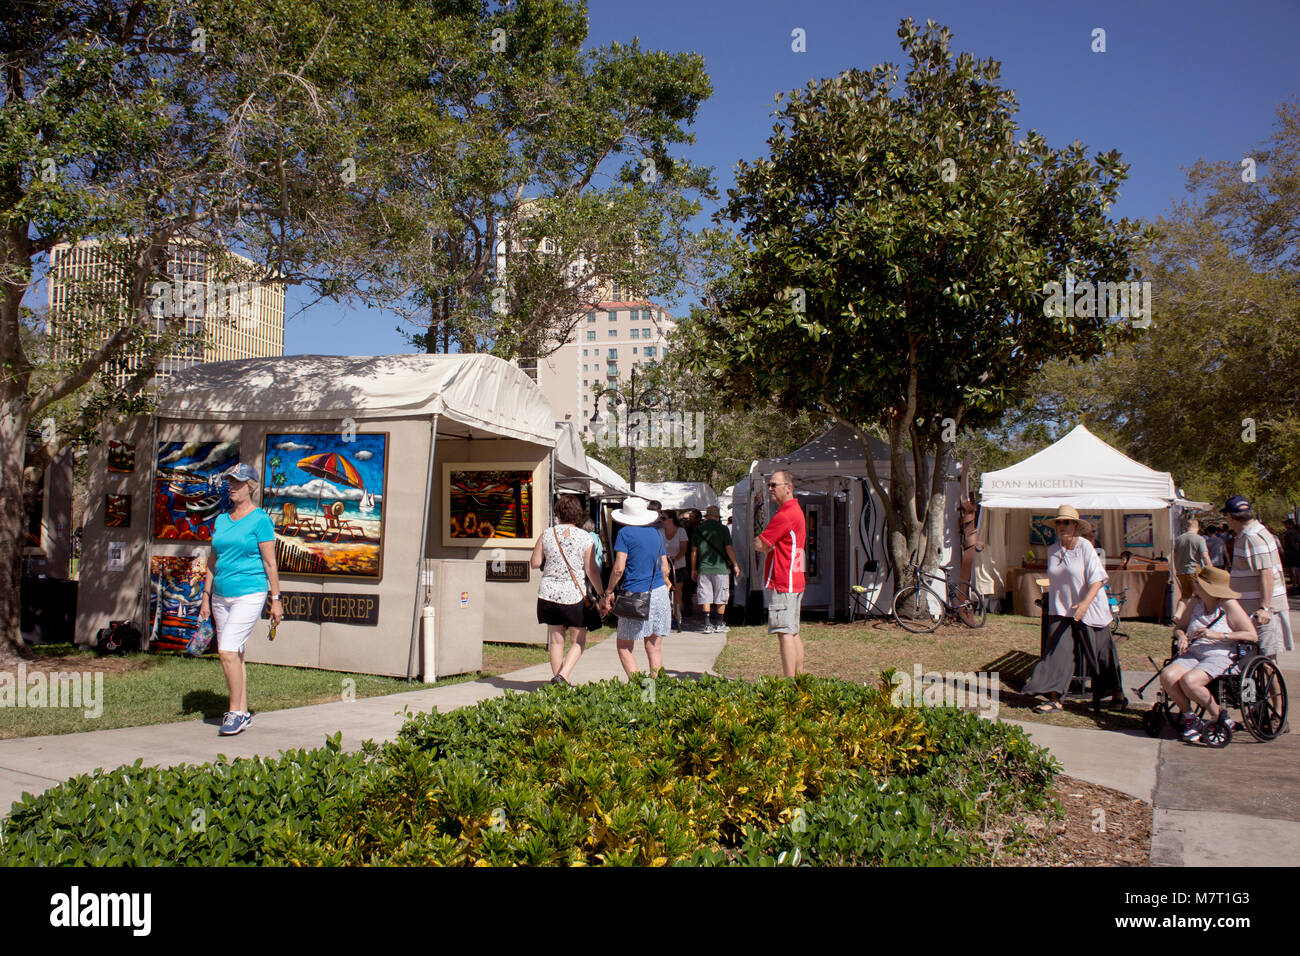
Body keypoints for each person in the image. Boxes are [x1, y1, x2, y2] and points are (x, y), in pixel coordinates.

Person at [198, 463, 283, 736]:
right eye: (230, 482)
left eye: (238, 482)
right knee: (237, 653)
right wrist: (205, 597)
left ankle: (234, 712)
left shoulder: (260, 520)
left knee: (226, 650)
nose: (232, 486)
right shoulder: (222, 520)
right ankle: (243, 711)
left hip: (250, 592)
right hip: (220, 596)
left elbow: (271, 565)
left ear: (251, 487)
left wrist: (276, 599)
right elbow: (213, 562)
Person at [1022, 505, 1118, 712]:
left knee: (1100, 653)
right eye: (1059, 522)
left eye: (1066, 522)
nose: (1062, 526)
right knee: (1058, 653)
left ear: (1075, 525)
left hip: (1089, 608)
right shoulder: (1053, 550)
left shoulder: (1085, 547)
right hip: (1061, 610)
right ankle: (1056, 698)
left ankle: (1116, 693)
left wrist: (1083, 605)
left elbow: (1098, 579)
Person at [1159, 566, 1259, 741]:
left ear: (1209, 587)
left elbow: (1252, 635)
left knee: (1190, 681)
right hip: (1194, 652)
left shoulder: (1228, 605)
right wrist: (1181, 636)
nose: (1195, 584)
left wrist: (1218, 634)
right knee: (1167, 675)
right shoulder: (1195, 602)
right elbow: (1179, 628)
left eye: (1198, 581)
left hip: (1220, 654)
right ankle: (1191, 717)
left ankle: (1218, 716)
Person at [532, 495, 608, 686]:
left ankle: (559, 682)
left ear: (558, 513)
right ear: (578, 515)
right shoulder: (584, 537)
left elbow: (535, 563)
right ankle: (563, 675)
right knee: (580, 639)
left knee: (556, 641)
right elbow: (591, 569)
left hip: (548, 593)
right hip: (573, 594)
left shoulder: (547, 533)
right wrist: (601, 593)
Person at [600, 497, 671, 677]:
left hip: (635, 596)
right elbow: (665, 567)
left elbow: (618, 568)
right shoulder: (657, 533)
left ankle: (640, 690)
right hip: (659, 592)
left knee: (624, 646)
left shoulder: (625, 533)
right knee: (654, 647)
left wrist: (608, 592)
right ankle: (655, 693)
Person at [1223, 495, 1293, 656]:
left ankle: (1273, 682)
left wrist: (1264, 608)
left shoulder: (1252, 537)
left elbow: (1266, 573)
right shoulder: (1253, 532)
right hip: (1253, 608)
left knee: (1266, 660)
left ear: (1231, 517)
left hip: (1260, 611)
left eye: (1226, 516)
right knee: (1261, 659)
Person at [753, 470, 806, 677]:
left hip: (784, 580)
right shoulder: (796, 512)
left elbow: (761, 543)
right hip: (795, 579)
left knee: (784, 633)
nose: (770, 489)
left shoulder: (784, 515)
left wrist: (766, 545)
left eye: (774, 485)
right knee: (792, 632)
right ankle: (799, 678)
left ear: (788, 488)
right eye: (770, 485)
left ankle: (789, 683)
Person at [691, 504, 741, 634]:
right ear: (717, 517)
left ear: (707, 517)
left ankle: (707, 624)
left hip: (703, 567)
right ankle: (719, 624)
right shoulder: (723, 529)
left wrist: (693, 569)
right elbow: (728, 548)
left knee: (705, 596)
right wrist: (735, 564)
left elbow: (694, 552)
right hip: (721, 567)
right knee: (721, 595)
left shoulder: (698, 530)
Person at [1173, 517, 1212, 620]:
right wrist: (1211, 569)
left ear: (1187, 527)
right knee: (1198, 595)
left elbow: (1175, 556)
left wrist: (1176, 568)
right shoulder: (1199, 539)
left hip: (1181, 571)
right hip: (1194, 570)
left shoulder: (1178, 539)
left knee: (1185, 595)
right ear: (1197, 527)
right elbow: (1205, 556)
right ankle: (1194, 617)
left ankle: (1177, 615)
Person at [659, 509, 689, 631]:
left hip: (678, 565)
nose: (662, 521)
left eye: (664, 518)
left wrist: (676, 558)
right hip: (664, 567)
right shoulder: (660, 532)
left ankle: (677, 617)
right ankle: (665, 616)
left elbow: (683, 548)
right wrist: (665, 560)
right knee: (663, 591)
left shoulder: (681, 531)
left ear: (671, 519)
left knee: (677, 592)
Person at [1282, 518, 1300, 592]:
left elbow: (1292, 543)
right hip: (1296, 554)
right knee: (1297, 569)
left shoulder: (1289, 533)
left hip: (1292, 554)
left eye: (1286, 524)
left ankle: (1295, 585)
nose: (1285, 526)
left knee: (1293, 570)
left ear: (1290, 525)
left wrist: (1295, 549)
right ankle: (1298, 585)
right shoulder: (1296, 532)